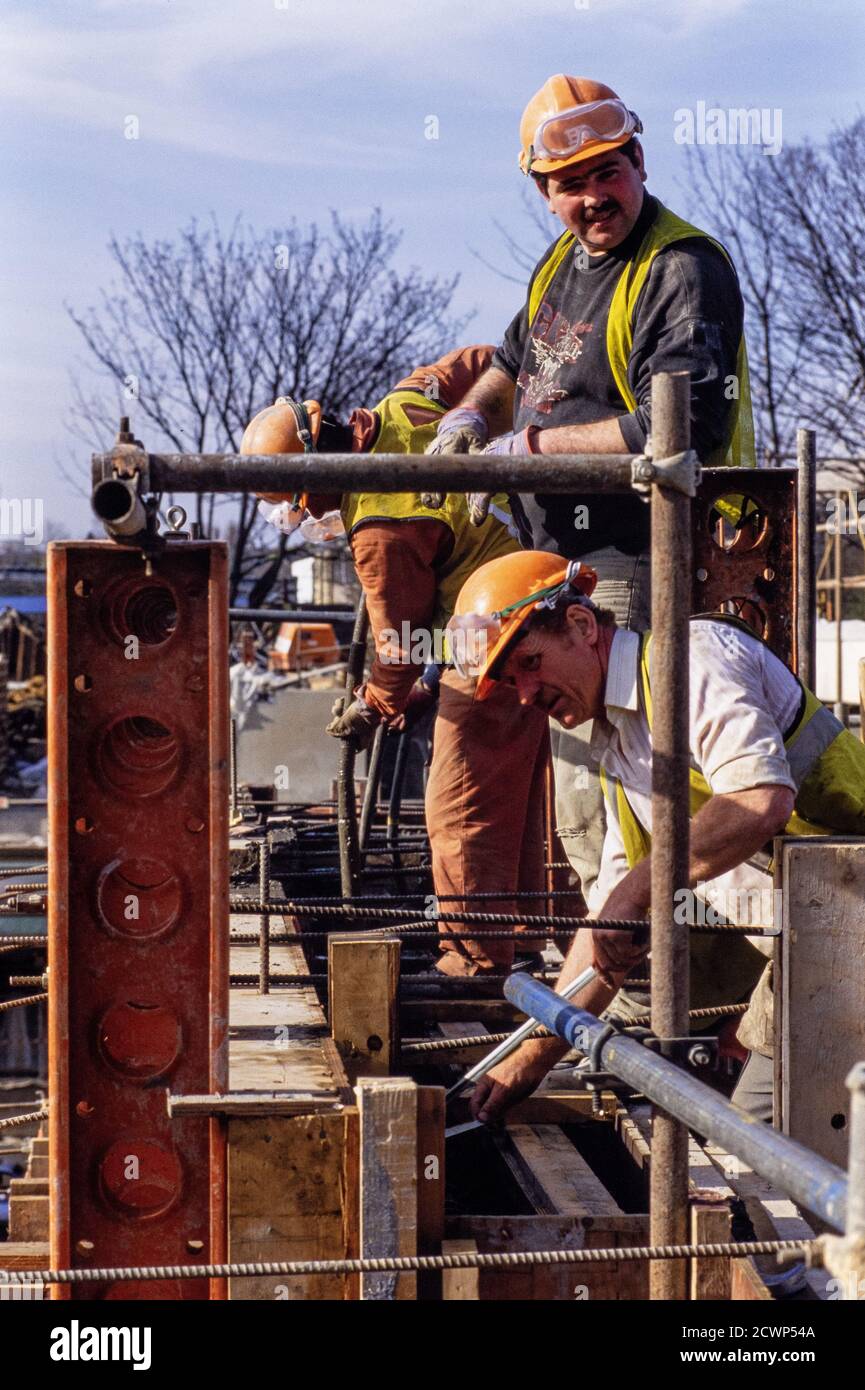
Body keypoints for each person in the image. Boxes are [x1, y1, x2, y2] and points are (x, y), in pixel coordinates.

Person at [425, 74, 755, 904]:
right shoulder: (559, 267)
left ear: (637, 161)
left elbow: (676, 433)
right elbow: (508, 367)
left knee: (619, 790)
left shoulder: (680, 269)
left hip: (642, 554)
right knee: (579, 785)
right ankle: (611, 972)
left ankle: (646, 995)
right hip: (558, 554)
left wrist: (527, 447)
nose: (593, 197)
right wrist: (469, 420)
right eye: (571, 183)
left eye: (607, 172)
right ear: (544, 193)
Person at [443, 550, 865, 1123]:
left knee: (773, 1157)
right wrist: (529, 1060)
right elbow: (609, 934)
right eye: (511, 681)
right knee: (762, 1148)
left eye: (530, 662)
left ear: (581, 625)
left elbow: (759, 800)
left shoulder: (692, 660)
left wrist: (638, 887)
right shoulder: (620, 748)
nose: (525, 694)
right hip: (817, 952)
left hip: (849, 929)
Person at [241, 348, 550, 975]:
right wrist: (475, 418)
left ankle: (476, 961)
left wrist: (374, 703)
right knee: (520, 796)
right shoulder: (406, 403)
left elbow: (397, 643)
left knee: (460, 805)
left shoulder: (376, 527)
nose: (312, 517)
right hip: (534, 598)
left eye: (304, 504)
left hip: (497, 637)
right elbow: (498, 356)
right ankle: (524, 937)